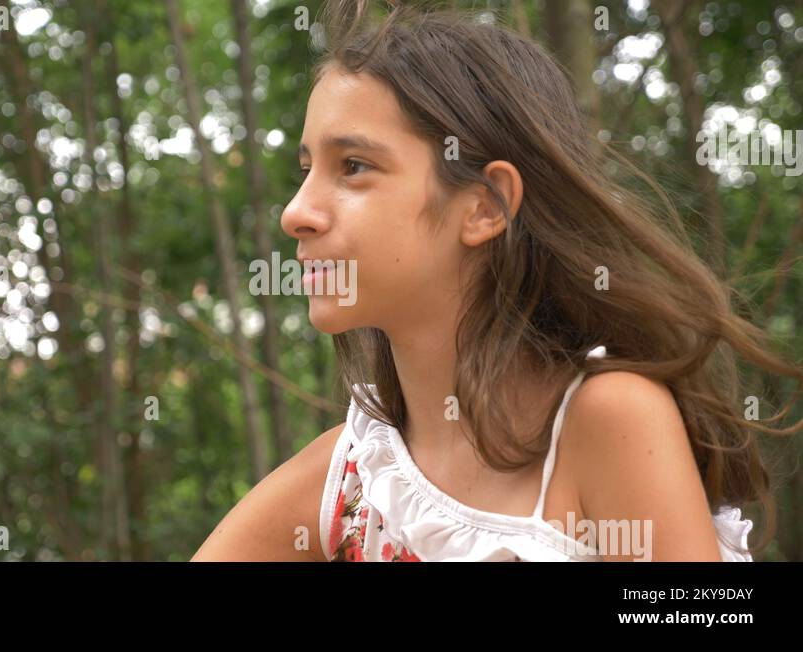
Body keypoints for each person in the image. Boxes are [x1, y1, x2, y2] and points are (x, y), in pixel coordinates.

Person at [192, 0, 803, 561]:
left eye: (352, 167)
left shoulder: (607, 421)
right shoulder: (353, 473)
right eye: (306, 169)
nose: (295, 212)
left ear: (486, 206)